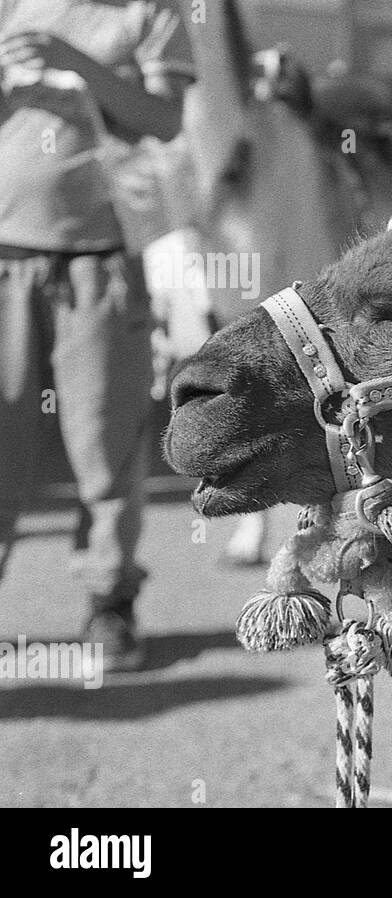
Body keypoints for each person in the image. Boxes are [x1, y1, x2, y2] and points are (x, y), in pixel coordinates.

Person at [0, 1, 193, 669]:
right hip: (5, 259)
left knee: (105, 440)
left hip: (106, 259)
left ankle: (109, 602)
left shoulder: (151, 12)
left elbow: (164, 122)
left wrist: (74, 64)